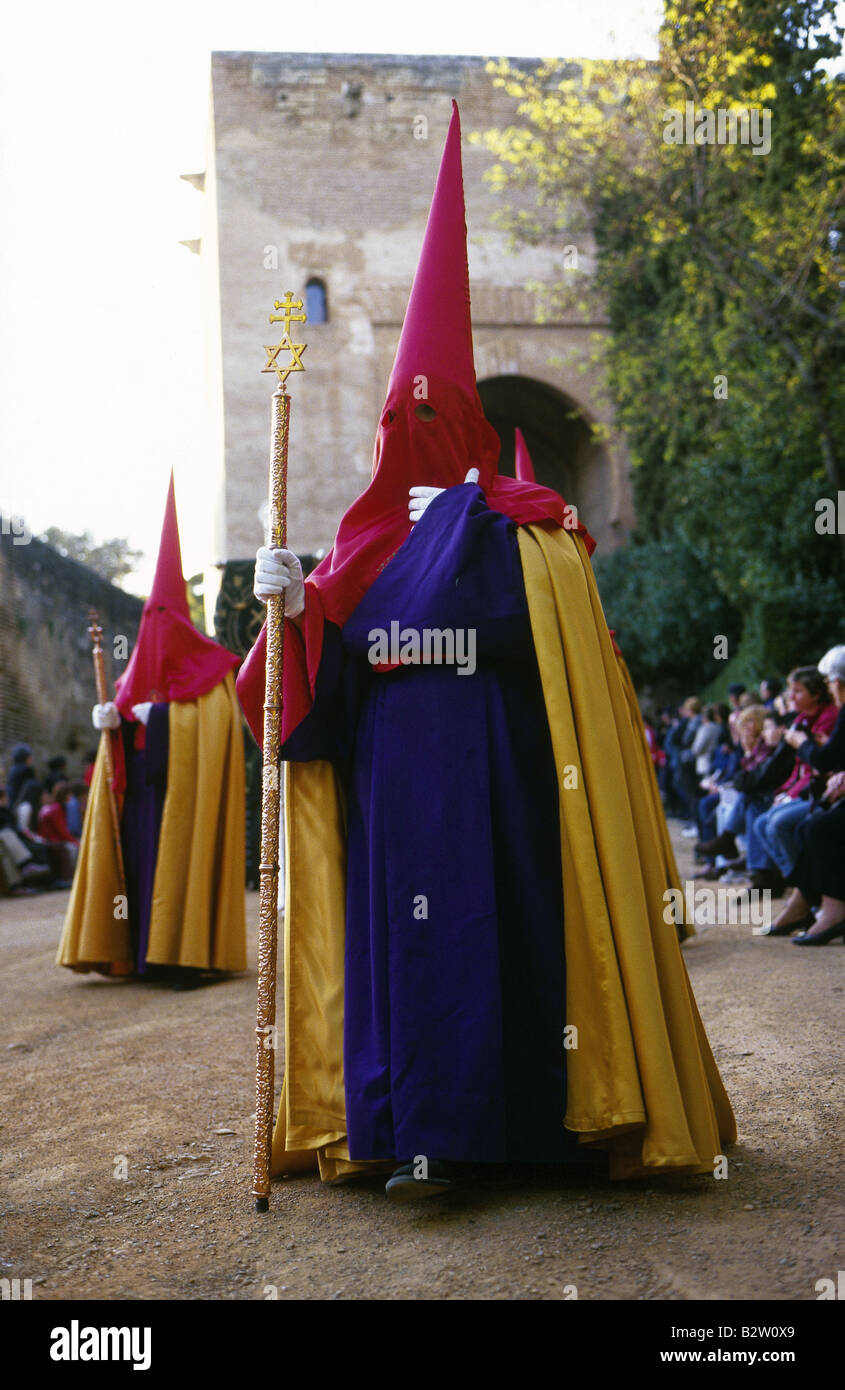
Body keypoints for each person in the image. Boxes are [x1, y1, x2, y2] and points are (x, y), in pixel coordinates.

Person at [237, 102, 735, 1199]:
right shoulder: (355, 545)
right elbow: (301, 695)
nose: (414, 433)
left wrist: (471, 535)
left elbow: (559, 649)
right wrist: (282, 610)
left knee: (504, 945)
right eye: (398, 419)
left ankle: (542, 1127)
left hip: (506, 780)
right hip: (391, 795)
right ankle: (420, 1137)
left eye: (435, 416)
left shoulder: (530, 522)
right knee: (414, 960)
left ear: (466, 427)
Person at [57, 474, 247, 985]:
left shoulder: (212, 667)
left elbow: (218, 724)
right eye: (150, 615)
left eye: (163, 614)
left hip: (181, 793)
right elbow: (117, 709)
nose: (155, 624)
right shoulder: (135, 664)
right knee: (138, 870)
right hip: (139, 791)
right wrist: (110, 722)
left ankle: (177, 953)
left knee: (172, 868)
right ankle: (133, 952)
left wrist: (158, 717)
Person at [745, 666, 837, 895]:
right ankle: (801, 885)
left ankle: (808, 890)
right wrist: (785, 793)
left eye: (797, 691)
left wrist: (790, 794)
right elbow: (799, 769)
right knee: (762, 821)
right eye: (790, 691)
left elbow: (817, 764)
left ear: (815, 694)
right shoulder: (802, 720)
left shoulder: (829, 717)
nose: (790, 697)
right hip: (807, 790)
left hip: (823, 792)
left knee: (778, 823)